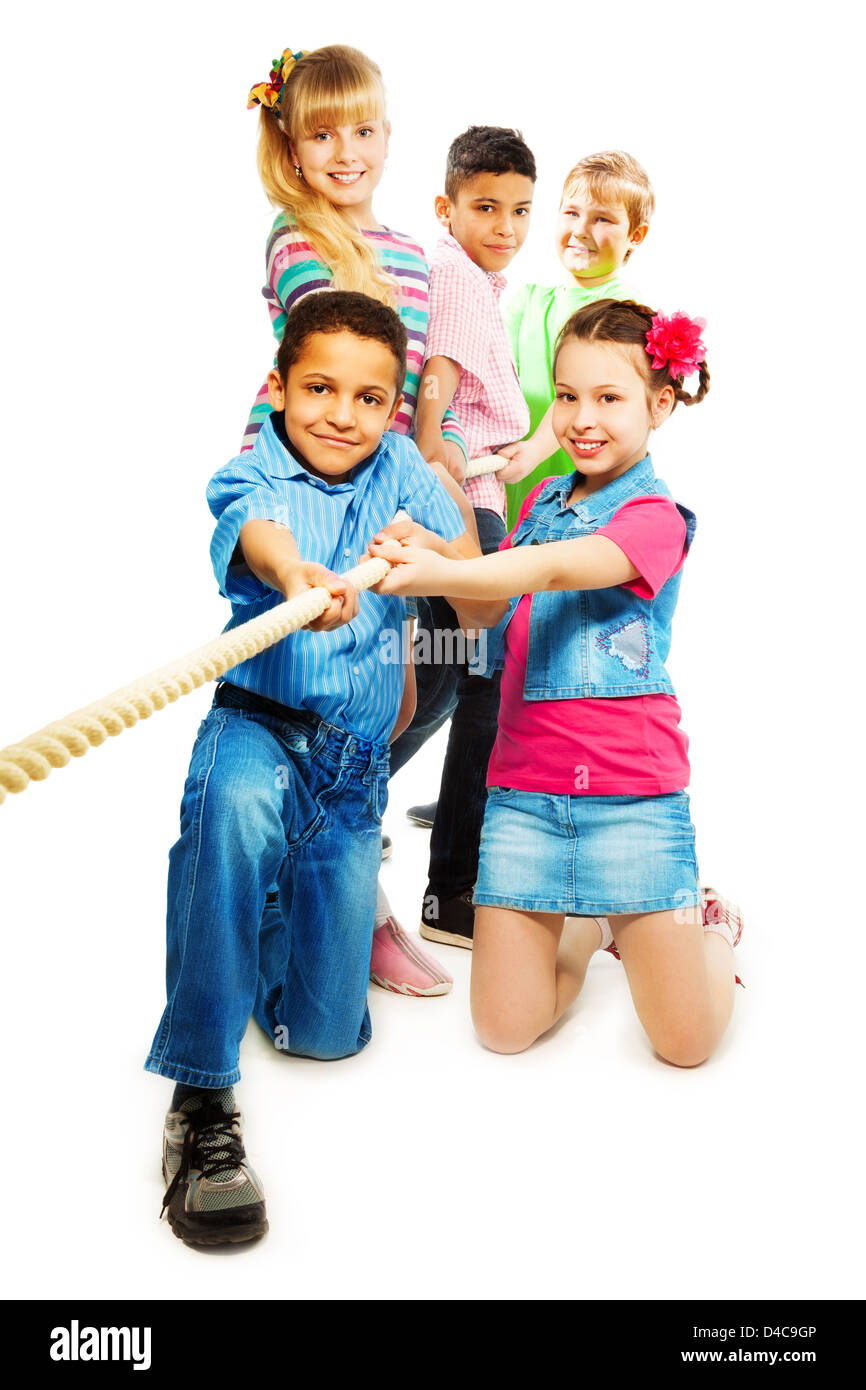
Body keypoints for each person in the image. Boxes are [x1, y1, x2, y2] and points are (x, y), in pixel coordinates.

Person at [147, 291, 470, 1245]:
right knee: (235, 815)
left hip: (354, 771)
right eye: (320, 388)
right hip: (259, 724)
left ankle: (269, 909)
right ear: (279, 389)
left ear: (393, 405)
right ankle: (199, 1101)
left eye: (371, 398)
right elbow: (265, 537)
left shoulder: (402, 464)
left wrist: (436, 555)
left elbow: (471, 572)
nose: (343, 414)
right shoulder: (250, 475)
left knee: (326, 1035)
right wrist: (299, 582)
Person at [371, 298, 743, 1065]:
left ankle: (704, 927)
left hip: (631, 802)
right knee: (504, 1029)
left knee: (685, 1045)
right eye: (568, 396)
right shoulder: (540, 502)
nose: (582, 418)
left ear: (660, 403)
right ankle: (593, 923)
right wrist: (432, 549)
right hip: (523, 803)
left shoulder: (654, 516)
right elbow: (486, 607)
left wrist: (449, 562)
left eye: (610, 398)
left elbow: (556, 567)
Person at [245, 42, 478, 994]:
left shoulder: (410, 257)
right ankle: (337, 882)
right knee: (356, 687)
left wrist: (445, 453)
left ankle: (338, 847)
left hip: (395, 470)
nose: (347, 151)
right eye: (323, 134)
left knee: (444, 672)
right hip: (319, 477)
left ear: (389, 134)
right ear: (294, 150)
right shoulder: (297, 235)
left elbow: (417, 381)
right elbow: (344, 364)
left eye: (365, 130)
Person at [391, 125, 535, 950]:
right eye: (485, 207)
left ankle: (363, 821)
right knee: (461, 685)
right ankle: (452, 890)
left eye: (519, 209)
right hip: (463, 500)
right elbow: (436, 387)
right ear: (448, 207)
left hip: (481, 492)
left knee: (451, 683)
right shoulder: (454, 272)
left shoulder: (480, 278)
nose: (504, 225)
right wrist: (441, 479)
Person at [497, 151, 654, 526]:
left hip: (581, 488)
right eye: (571, 213)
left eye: (602, 218)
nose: (582, 229)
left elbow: (584, 393)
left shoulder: (624, 308)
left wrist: (536, 448)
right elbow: (494, 374)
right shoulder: (529, 299)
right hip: (512, 475)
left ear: (635, 235)